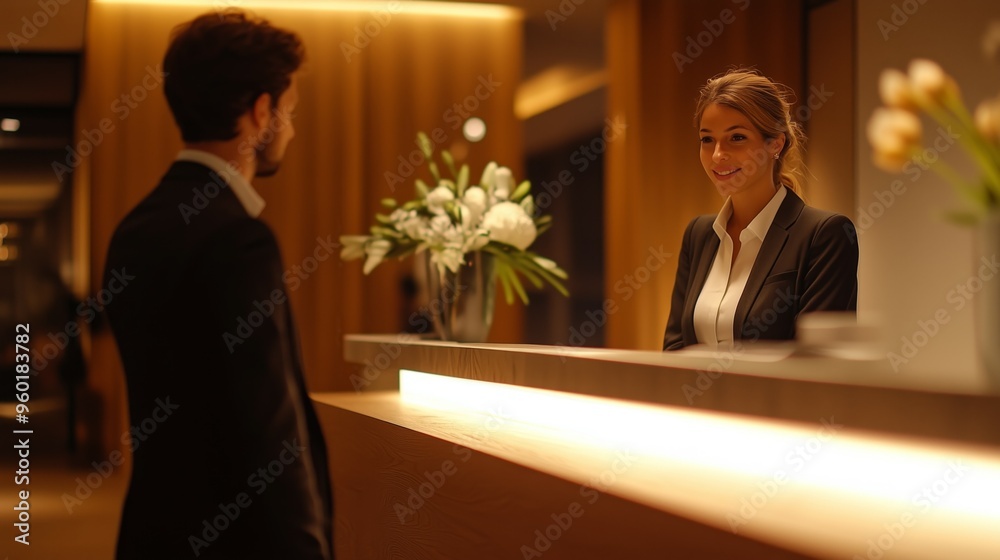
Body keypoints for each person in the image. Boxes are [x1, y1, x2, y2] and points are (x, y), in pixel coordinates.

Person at [103, 11, 333, 559]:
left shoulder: (133, 230)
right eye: (290, 111)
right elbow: (268, 438)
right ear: (260, 113)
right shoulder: (238, 241)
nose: (293, 130)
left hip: (149, 532)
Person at [663, 69, 858, 351]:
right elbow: (675, 348)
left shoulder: (825, 235)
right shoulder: (699, 234)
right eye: (707, 139)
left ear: (775, 144)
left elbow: (817, 363)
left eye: (737, 137)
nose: (718, 155)